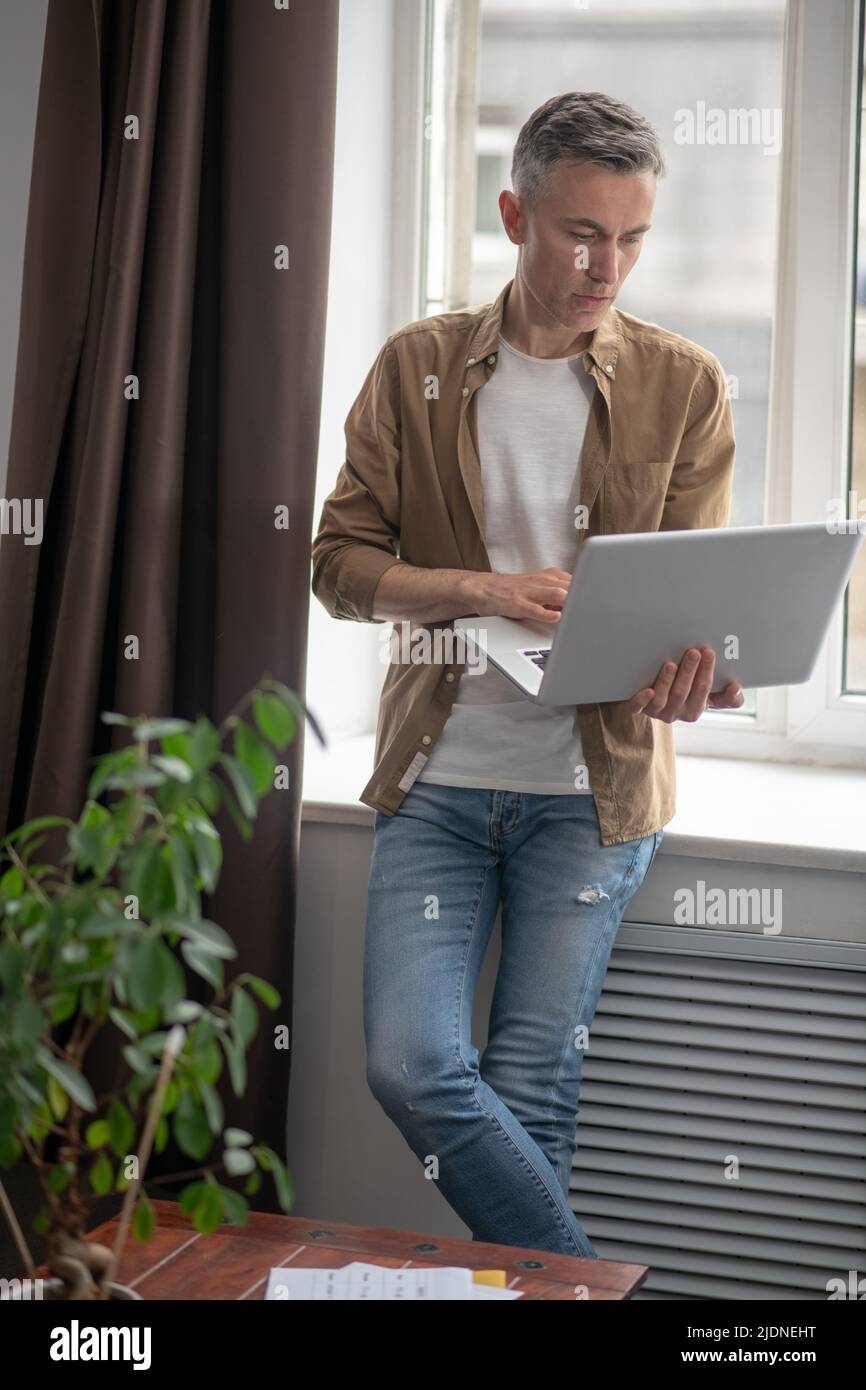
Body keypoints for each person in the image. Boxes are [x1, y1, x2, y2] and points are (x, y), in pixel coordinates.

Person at [311, 90, 743, 1257]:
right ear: (514, 213)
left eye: (631, 237)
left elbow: (698, 606)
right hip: (440, 784)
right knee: (411, 1066)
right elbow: (337, 566)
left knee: (531, 1085)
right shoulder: (416, 369)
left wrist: (696, 673)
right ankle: (597, 1293)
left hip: (590, 800)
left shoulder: (684, 384)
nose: (608, 265)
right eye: (581, 232)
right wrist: (482, 589)